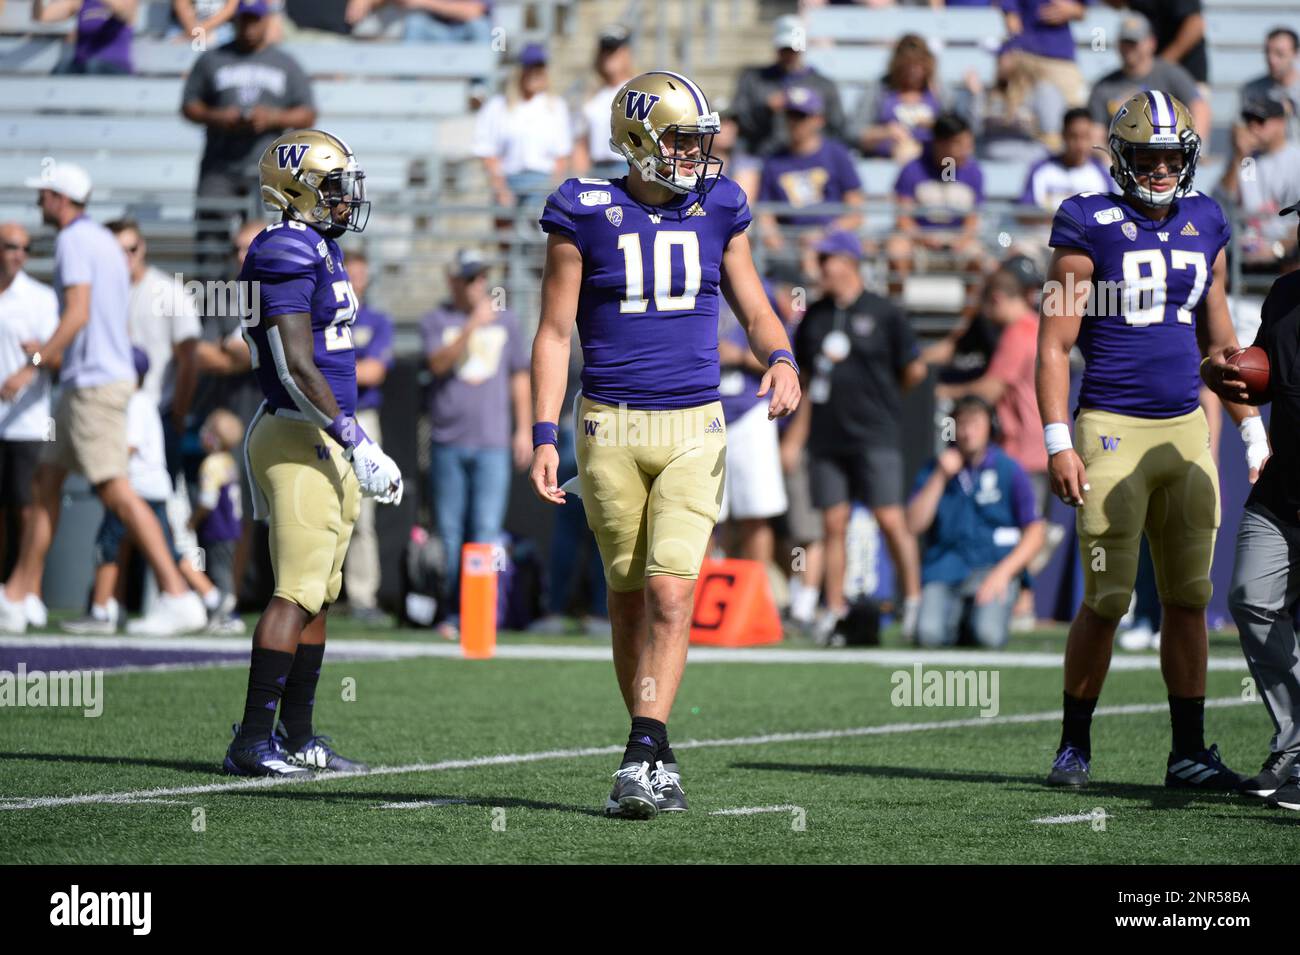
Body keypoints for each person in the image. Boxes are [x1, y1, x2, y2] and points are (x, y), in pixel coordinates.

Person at [530, 70, 800, 818]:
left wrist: (781, 356)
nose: (693, 155)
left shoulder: (720, 205)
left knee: (673, 591)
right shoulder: (583, 210)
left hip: (693, 422)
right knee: (626, 598)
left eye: (696, 140)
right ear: (639, 141)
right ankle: (655, 746)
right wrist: (543, 432)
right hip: (609, 425)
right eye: (680, 140)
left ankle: (641, 747)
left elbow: (755, 306)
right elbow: (554, 332)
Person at [1036, 91, 1268, 790]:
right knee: (1108, 599)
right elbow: (1053, 345)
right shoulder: (1086, 221)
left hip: (1185, 428)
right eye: (1149, 156)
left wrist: (1251, 427)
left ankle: (1188, 750)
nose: (1163, 169)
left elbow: (1221, 340)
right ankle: (1074, 744)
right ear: (1123, 158)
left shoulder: (1206, 219)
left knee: (1191, 595)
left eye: (1173, 156)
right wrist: (1057, 439)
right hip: (1110, 427)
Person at [224, 129, 403, 777]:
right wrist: (356, 438)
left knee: (320, 595)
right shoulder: (283, 249)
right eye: (331, 187)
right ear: (294, 189)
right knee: (294, 592)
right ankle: (251, 739)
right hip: (298, 434)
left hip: (325, 435)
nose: (343, 199)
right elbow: (294, 367)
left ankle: (297, 734)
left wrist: (351, 438)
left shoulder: (317, 247)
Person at [0, 163, 208, 636]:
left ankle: (177, 594)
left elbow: (77, 314)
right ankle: (15, 596)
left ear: (60, 198)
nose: (38, 204)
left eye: (44, 195)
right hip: (88, 383)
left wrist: (31, 367)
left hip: (93, 385)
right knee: (45, 484)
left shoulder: (75, 241)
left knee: (116, 489)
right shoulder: (101, 242)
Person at [791, 231, 926, 642]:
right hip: (828, 437)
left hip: (875, 434)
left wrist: (882, 401)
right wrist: (797, 435)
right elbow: (807, 376)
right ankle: (835, 608)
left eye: (828, 260)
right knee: (832, 522)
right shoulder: (814, 316)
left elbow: (914, 369)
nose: (821, 269)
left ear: (848, 263)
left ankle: (913, 602)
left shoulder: (884, 312)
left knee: (889, 517)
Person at [62, 348, 235, 635]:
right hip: (152, 487)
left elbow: (128, 447)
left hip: (136, 489)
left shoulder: (132, 404)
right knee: (165, 549)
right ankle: (213, 597)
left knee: (108, 544)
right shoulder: (144, 402)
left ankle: (101, 611)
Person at [1219, 200, 1300, 808]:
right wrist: (1227, 372)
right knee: (1250, 596)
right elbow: (1256, 368)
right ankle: (1295, 746)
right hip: (1284, 485)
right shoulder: (1282, 296)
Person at [421, 248, 530, 637]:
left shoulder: (508, 321)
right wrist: (471, 326)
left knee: (485, 532)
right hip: (448, 439)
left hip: (492, 442)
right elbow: (437, 364)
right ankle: (451, 614)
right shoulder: (437, 319)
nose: (478, 285)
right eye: (470, 278)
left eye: (482, 277)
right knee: (450, 534)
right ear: (453, 282)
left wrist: (524, 429)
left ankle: (478, 616)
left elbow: (520, 375)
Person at [181, 0, 316, 277]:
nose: (250, 27)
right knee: (211, 241)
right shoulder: (212, 59)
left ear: (267, 21)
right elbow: (189, 106)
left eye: (256, 20)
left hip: (267, 169)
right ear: (235, 21)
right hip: (220, 165)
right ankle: (212, 312)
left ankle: (263, 309)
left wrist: (273, 118)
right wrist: (220, 117)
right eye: (245, 20)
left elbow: (307, 113)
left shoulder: (285, 63)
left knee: (266, 242)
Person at [907, 396, 1045, 648]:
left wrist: (1005, 573)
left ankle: (972, 619)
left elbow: (1035, 530)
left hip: (993, 566)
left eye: (975, 424)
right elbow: (914, 524)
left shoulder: (1009, 469)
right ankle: (960, 619)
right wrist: (939, 478)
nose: (968, 432)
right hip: (945, 568)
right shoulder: (934, 469)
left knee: (988, 637)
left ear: (990, 427)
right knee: (928, 635)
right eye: (962, 424)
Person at [108, 218, 200, 477]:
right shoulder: (100, 294)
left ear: (143, 247)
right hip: (113, 414)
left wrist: (178, 416)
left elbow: (189, 358)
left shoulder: (168, 291)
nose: (126, 257)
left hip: (159, 414)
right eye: (117, 250)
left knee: (158, 497)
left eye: (132, 249)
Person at [0, 223, 59, 610]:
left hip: (29, 420)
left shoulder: (39, 297)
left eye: (25, 247)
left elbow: (55, 353)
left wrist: (29, 364)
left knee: (26, 507)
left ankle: (29, 589)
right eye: (11, 246)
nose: (19, 253)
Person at [341, 250, 393, 622]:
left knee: (363, 513)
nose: (356, 279)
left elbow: (374, 371)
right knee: (322, 507)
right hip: (327, 413)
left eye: (361, 273)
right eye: (350, 272)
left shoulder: (376, 320)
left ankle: (362, 595)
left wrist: (332, 366)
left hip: (362, 418)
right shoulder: (325, 314)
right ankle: (319, 591)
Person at [755, 86, 864, 259]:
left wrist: (824, 234)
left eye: (802, 116)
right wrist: (778, 245)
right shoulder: (774, 161)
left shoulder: (837, 154)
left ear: (819, 120)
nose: (794, 122)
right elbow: (765, 213)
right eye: (790, 115)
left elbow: (856, 212)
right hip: (790, 245)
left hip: (833, 243)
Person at [887, 112, 986, 289]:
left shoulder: (973, 172)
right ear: (940, 144)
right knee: (896, 251)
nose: (966, 151)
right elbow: (903, 218)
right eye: (959, 145)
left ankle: (969, 316)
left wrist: (960, 241)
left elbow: (973, 220)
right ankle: (898, 311)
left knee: (980, 259)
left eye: (968, 145)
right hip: (919, 243)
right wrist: (923, 238)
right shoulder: (912, 169)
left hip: (958, 243)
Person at [473, 43, 571, 222]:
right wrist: (500, 187)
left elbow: (561, 157)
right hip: (508, 180)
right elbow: (487, 151)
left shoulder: (556, 107)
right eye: (529, 67)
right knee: (507, 237)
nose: (534, 73)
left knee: (536, 237)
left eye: (538, 68)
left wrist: (551, 192)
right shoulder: (498, 106)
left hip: (542, 182)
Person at [730, 14, 846, 158]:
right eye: (784, 49)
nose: (789, 54)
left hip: (810, 159)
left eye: (793, 49)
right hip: (763, 156)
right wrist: (766, 109)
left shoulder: (823, 85)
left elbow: (837, 126)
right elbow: (739, 121)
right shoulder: (754, 79)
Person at [1086, 13, 1208, 137]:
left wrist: (1191, 145)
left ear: (1151, 43)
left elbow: (1199, 108)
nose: (1129, 48)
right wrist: (1107, 155)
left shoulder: (1171, 74)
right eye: (1125, 42)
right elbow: (1096, 133)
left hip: (1167, 150)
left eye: (1134, 43)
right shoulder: (1104, 86)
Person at [1217, 97, 1300, 271]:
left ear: (1280, 123)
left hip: (1287, 253)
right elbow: (1223, 201)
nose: (1253, 127)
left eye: (1261, 121)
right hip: (1246, 253)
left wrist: (1276, 250)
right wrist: (1238, 156)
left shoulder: (1295, 160)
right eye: (1249, 121)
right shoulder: (1247, 160)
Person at [854, 34, 943, 162]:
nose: (914, 72)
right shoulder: (880, 89)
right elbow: (854, 132)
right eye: (908, 66)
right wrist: (885, 131)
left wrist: (933, 125)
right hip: (886, 159)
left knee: (949, 162)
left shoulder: (939, 92)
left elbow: (955, 131)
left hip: (931, 159)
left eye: (919, 65)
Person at [190, 407, 243, 617]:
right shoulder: (230, 462)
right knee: (224, 568)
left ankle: (223, 608)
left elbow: (207, 500)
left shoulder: (211, 464)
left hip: (216, 528)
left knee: (216, 570)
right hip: (231, 528)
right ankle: (225, 605)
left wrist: (193, 521)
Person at [1018, 107, 1113, 216]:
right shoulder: (1040, 171)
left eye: (1085, 137)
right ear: (1063, 135)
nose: (1080, 145)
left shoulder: (1102, 176)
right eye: (1074, 136)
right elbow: (1024, 214)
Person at [572, 26, 636, 182]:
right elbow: (582, 143)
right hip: (597, 169)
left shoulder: (637, 89)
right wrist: (581, 177)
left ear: (625, 53)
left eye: (614, 50)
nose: (608, 56)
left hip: (628, 166)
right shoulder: (592, 96)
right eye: (605, 51)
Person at [999, 0, 1088, 108]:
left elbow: (1082, 11)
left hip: (1060, 56)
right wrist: (1013, 48)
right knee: (1018, 114)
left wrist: (1071, 9)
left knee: (1075, 111)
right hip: (1025, 56)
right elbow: (1012, 20)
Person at [37, 0, 135, 75]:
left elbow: (124, 12)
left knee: (92, 65)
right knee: (61, 69)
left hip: (115, 67)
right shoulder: (81, 2)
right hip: (83, 66)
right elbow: (42, 16)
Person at [1242, 28, 1300, 143]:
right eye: (1268, 52)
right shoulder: (1252, 91)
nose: (1272, 59)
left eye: (1279, 54)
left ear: (1296, 53)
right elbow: (1242, 134)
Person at [400, 0, 491, 43]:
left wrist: (425, 2)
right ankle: (406, 79)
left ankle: (482, 80)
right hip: (435, 30)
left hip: (466, 32)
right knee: (415, 23)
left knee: (479, 25)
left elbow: (474, 12)